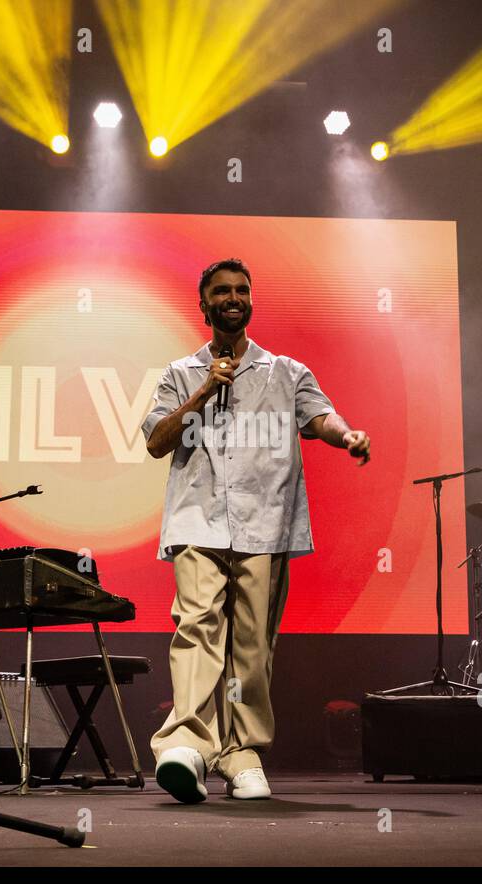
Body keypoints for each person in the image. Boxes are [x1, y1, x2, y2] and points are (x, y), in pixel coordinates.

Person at [140, 259, 370, 802]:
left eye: (242, 289)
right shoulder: (179, 373)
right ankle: (188, 745)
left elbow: (321, 419)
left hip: (265, 523)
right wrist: (201, 392)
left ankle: (241, 752)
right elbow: (156, 440)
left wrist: (348, 435)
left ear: (250, 300)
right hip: (199, 519)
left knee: (251, 645)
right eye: (221, 291)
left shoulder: (286, 371)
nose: (233, 297)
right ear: (204, 304)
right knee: (196, 625)